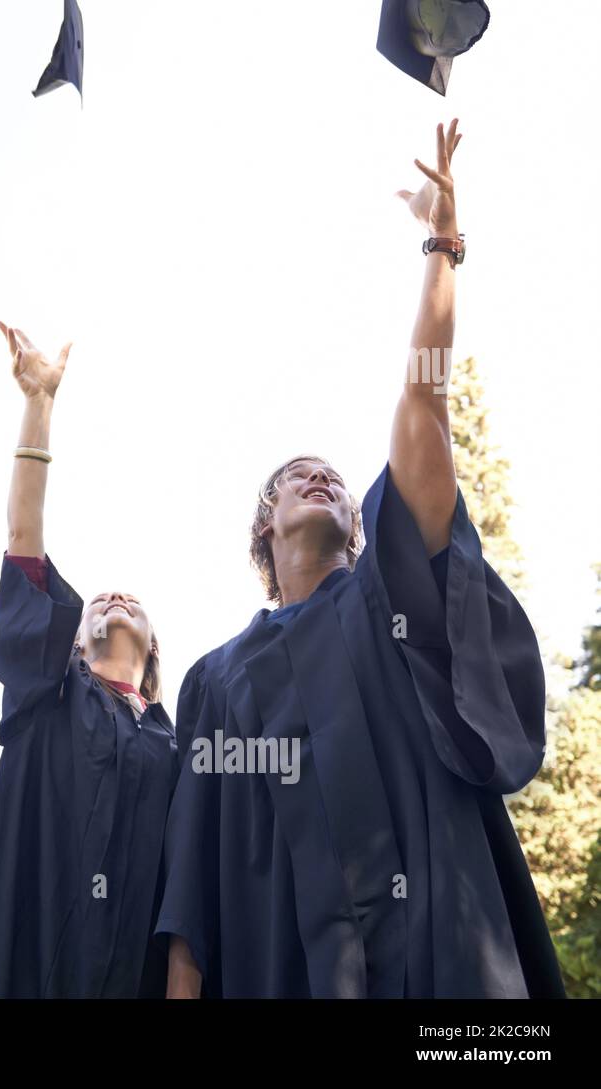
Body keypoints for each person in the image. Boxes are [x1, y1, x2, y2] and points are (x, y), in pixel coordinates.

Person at [157, 120, 564, 998]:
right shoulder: (215, 680)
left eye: (334, 478)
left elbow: (424, 403)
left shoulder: (393, 603)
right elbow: (194, 863)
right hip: (281, 961)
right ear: (264, 527)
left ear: (359, 523)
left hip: (441, 956)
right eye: (293, 477)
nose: (319, 477)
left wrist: (442, 249)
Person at [0, 324, 177, 997]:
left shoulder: (178, 746)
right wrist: (39, 404)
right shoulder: (46, 693)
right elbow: (24, 538)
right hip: (24, 961)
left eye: (132, 601)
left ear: (154, 648)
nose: (114, 597)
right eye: (98, 599)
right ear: (70, 641)